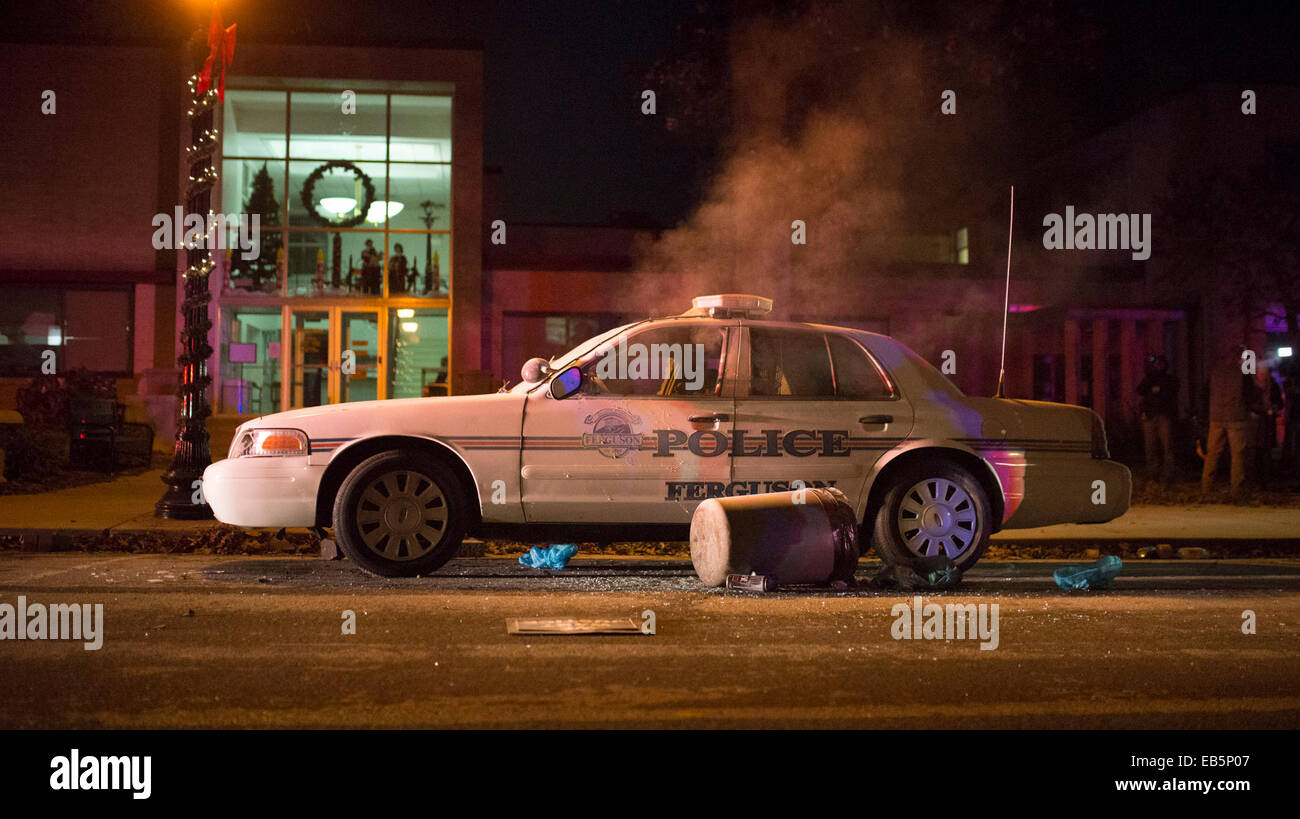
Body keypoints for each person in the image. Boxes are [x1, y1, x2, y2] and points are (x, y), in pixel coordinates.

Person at [1201, 346, 1260, 496]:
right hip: (1236, 418)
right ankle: (1237, 490)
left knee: (1212, 453)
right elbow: (1250, 395)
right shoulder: (1243, 373)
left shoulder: (1215, 372)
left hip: (1216, 417)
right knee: (1237, 454)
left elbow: (1204, 394)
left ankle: (1206, 488)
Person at [1136, 354, 1178, 484]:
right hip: (1150, 416)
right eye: (1156, 364)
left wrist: (1157, 389)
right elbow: (1140, 390)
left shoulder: (1170, 379)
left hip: (1164, 415)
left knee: (1167, 446)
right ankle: (1153, 475)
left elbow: (1171, 393)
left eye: (1161, 363)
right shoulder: (1149, 378)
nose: (1158, 366)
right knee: (1150, 447)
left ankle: (1168, 475)